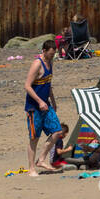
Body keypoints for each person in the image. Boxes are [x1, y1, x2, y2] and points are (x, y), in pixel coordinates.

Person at [24, 39, 62, 177]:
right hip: (34, 107)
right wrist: (40, 101)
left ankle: (41, 159)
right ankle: (31, 168)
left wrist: (53, 101)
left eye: (54, 54)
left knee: (57, 131)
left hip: (46, 105)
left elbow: (48, 83)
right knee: (34, 138)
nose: (52, 56)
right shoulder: (37, 64)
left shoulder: (50, 62)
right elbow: (27, 86)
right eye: (50, 54)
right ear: (44, 51)